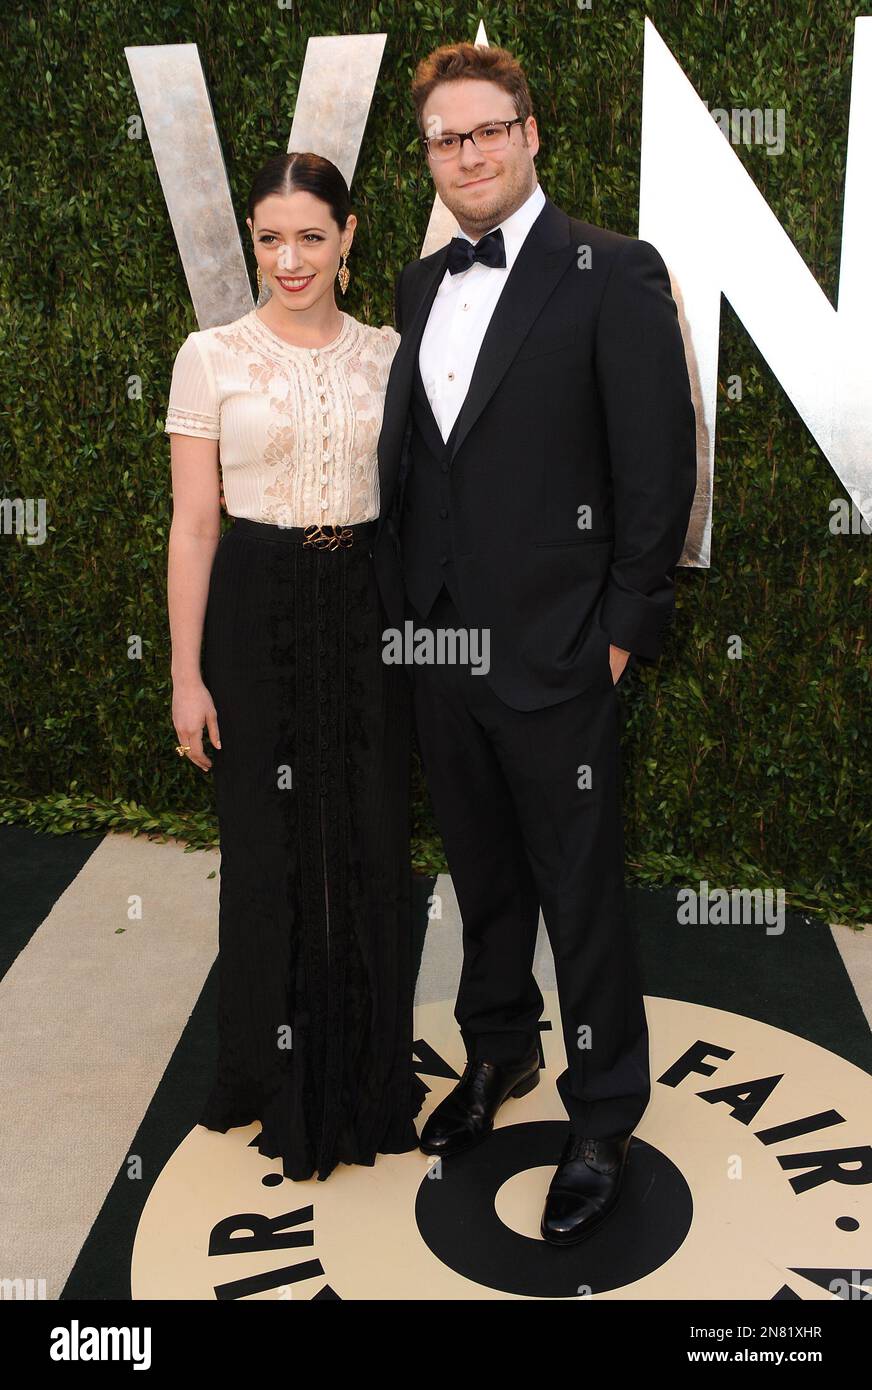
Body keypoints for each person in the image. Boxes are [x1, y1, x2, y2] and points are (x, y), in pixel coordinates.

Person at [373, 43, 697, 1243]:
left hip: (560, 652)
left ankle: (603, 1111)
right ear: (430, 157)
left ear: (530, 131)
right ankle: (497, 1055)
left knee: (581, 891)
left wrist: (619, 634)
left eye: (485, 130)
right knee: (480, 872)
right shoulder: (417, 286)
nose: (466, 154)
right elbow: (425, 470)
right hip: (436, 650)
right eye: (444, 139)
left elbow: (655, 471)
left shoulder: (609, 271)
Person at [165, 151, 426, 1183]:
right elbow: (193, 525)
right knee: (266, 843)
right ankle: (267, 1072)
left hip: (364, 604)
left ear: (348, 237)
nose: (289, 259)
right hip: (253, 604)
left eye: (310, 236)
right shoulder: (209, 355)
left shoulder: (390, 355)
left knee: (366, 832)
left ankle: (366, 1073)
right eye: (270, 238)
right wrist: (186, 674)